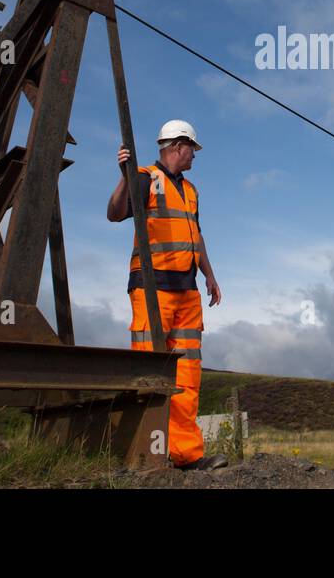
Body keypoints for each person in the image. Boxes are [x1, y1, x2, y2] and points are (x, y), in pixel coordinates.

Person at [107, 119, 227, 471]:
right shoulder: (144, 177)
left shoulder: (191, 191)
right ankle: (139, 455)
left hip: (186, 290)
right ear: (177, 146)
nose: (194, 156)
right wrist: (123, 178)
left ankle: (186, 454)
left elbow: (197, 235)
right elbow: (115, 214)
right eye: (192, 149)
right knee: (148, 371)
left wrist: (210, 275)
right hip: (152, 287)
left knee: (187, 375)